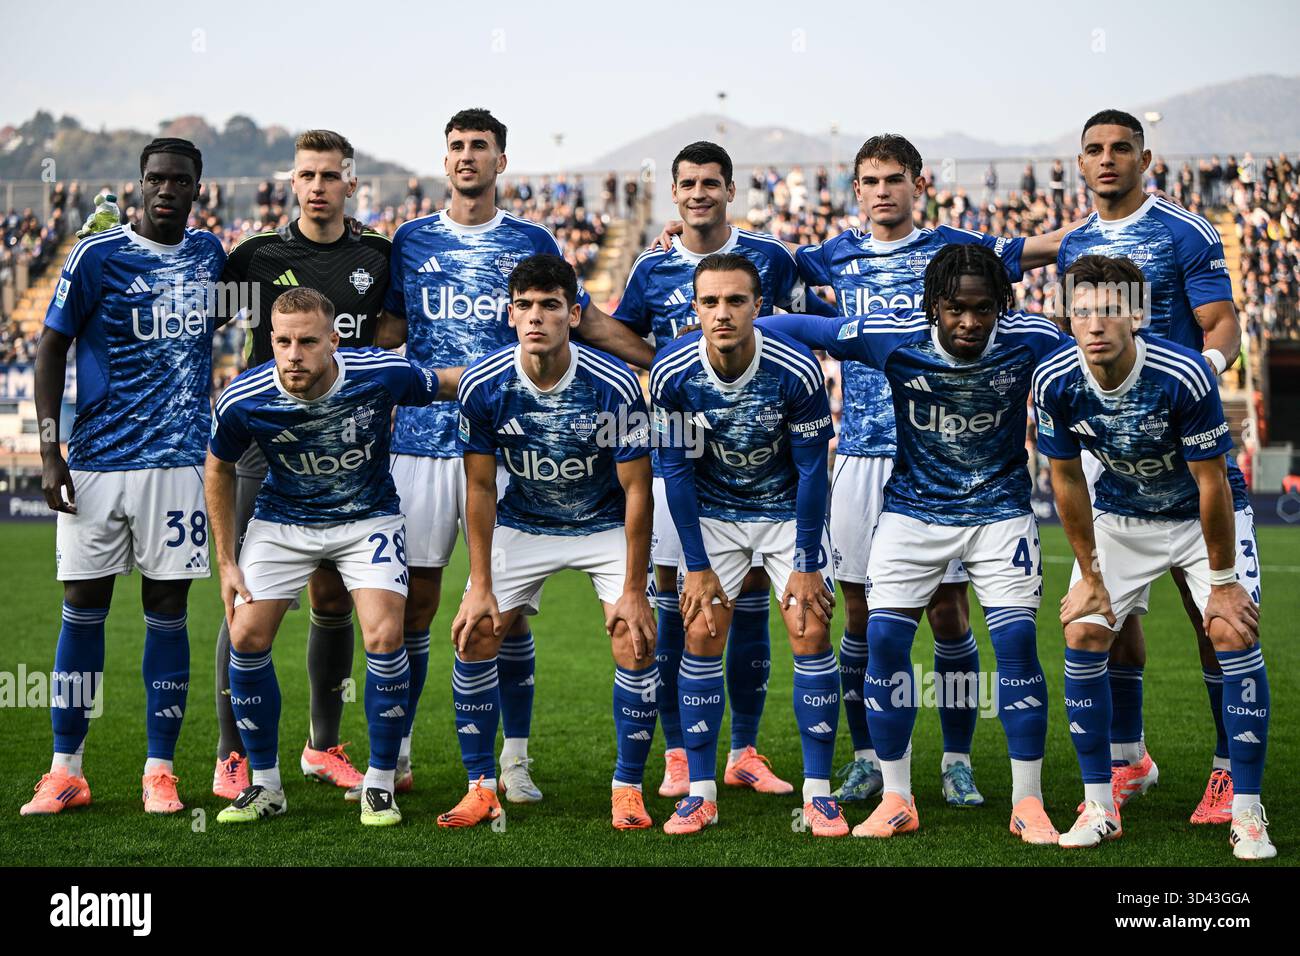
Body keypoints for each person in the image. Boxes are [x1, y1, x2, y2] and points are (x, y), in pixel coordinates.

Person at [375, 108, 654, 806]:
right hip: (423, 442)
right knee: (422, 604)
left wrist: (659, 362)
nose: (468, 157)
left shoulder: (532, 240)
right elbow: (387, 335)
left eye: (481, 147)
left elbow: (585, 319)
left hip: (517, 445)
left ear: (502, 161)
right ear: (444, 160)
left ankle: (515, 760)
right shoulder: (409, 240)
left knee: (508, 610)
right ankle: (399, 749)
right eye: (457, 147)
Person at [760, 243, 1067, 843]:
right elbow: (802, 325)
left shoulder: (1034, 340)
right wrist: (724, 333)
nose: (970, 322)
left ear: (1002, 305)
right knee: (879, 636)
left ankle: (1026, 801)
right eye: (956, 309)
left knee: (1018, 641)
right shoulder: (890, 338)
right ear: (934, 307)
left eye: (983, 310)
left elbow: (1097, 355)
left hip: (999, 512)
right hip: (913, 512)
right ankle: (897, 796)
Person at [616, 141, 836, 799]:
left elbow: (806, 323)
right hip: (682, 451)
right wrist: (673, 363)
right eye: (687, 183)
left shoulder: (768, 257)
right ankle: (683, 756)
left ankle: (743, 749)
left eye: (711, 182)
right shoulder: (652, 266)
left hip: (763, 465)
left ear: (729, 189)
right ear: (675, 193)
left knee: (757, 608)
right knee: (679, 605)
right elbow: (622, 335)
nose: (699, 193)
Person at [1035, 254, 1272, 859]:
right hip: (1122, 517)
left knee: (1229, 630)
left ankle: (1248, 811)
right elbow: (1065, 480)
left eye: (1109, 310)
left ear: (1137, 314)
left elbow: (1214, 483)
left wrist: (1222, 583)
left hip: (1198, 516)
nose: (1093, 324)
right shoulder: (1055, 381)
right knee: (1084, 631)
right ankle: (1100, 805)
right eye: (1081, 310)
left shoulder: (1184, 374)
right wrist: (1089, 575)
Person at [22, 138, 226, 817]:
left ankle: (159, 771)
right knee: (82, 608)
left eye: (178, 180)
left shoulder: (210, 258)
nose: (165, 189)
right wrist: (52, 452)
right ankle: (65, 769)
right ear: (139, 185)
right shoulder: (95, 255)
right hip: (96, 464)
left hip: (176, 467)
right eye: (154, 178)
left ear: (199, 189)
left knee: (167, 614)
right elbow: (51, 349)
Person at [206, 287, 462, 825]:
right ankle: (266, 786)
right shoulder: (244, 397)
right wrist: (227, 561)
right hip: (283, 521)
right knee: (246, 636)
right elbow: (218, 467)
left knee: (385, 635)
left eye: (306, 341)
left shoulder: (379, 373)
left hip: (367, 518)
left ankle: (380, 783)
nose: (293, 354)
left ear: (334, 342)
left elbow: (447, 381)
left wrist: (524, 372)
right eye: (282, 342)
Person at [1060, 108, 1246, 824]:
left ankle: (1229, 772)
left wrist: (1202, 374)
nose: (1108, 160)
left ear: (1146, 159)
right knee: (1108, 613)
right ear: (1079, 163)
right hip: (1112, 458)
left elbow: (1223, 321)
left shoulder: (1185, 230)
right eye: (1094, 150)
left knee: (1213, 619)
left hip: (1187, 447)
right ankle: (1129, 755)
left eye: (1122, 149)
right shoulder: (1075, 242)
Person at [438, 254, 658, 831]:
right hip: (524, 523)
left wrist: (635, 589)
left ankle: (627, 789)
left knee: (635, 640)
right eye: (526, 306)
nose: (537, 316)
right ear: (511, 315)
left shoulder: (613, 388)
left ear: (574, 313)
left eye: (551, 306)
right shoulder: (485, 386)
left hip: (602, 524)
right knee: (475, 633)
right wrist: (480, 583)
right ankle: (481, 785)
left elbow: (638, 492)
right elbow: (480, 486)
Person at [210, 129, 394, 803]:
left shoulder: (378, 253)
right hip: (267, 444)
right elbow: (199, 317)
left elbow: (394, 331)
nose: (317, 186)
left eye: (330, 175)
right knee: (246, 603)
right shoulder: (256, 256)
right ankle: (233, 755)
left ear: (351, 183)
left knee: (332, 596)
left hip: (347, 443)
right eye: (306, 174)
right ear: (292, 182)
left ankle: (323, 746)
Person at [652, 253, 847, 837]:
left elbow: (813, 471)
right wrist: (696, 565)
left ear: (759, 307)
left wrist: (808, 561)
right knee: (701, 630)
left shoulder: (797, 370)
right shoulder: (672, 374)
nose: (722, 313)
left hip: (788, 511)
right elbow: (677, 474)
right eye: (710, 302)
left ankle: (818, 793)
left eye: (736, 301)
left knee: (809, 627)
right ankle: (702, 792)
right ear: (695, 308)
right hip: (712, 511)